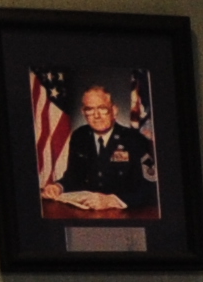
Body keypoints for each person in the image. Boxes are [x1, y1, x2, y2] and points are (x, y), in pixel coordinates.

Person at [41, 84, 153, 218]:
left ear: (114, 110)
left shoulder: (135, 140)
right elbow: (74, 176)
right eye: (90, 109)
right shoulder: (79, 136)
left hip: (126, 215)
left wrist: (112, 200)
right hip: (87, 214)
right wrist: (59, 186)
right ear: (83, 112)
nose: (96, 115)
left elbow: (150, 187)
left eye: (102, 108)